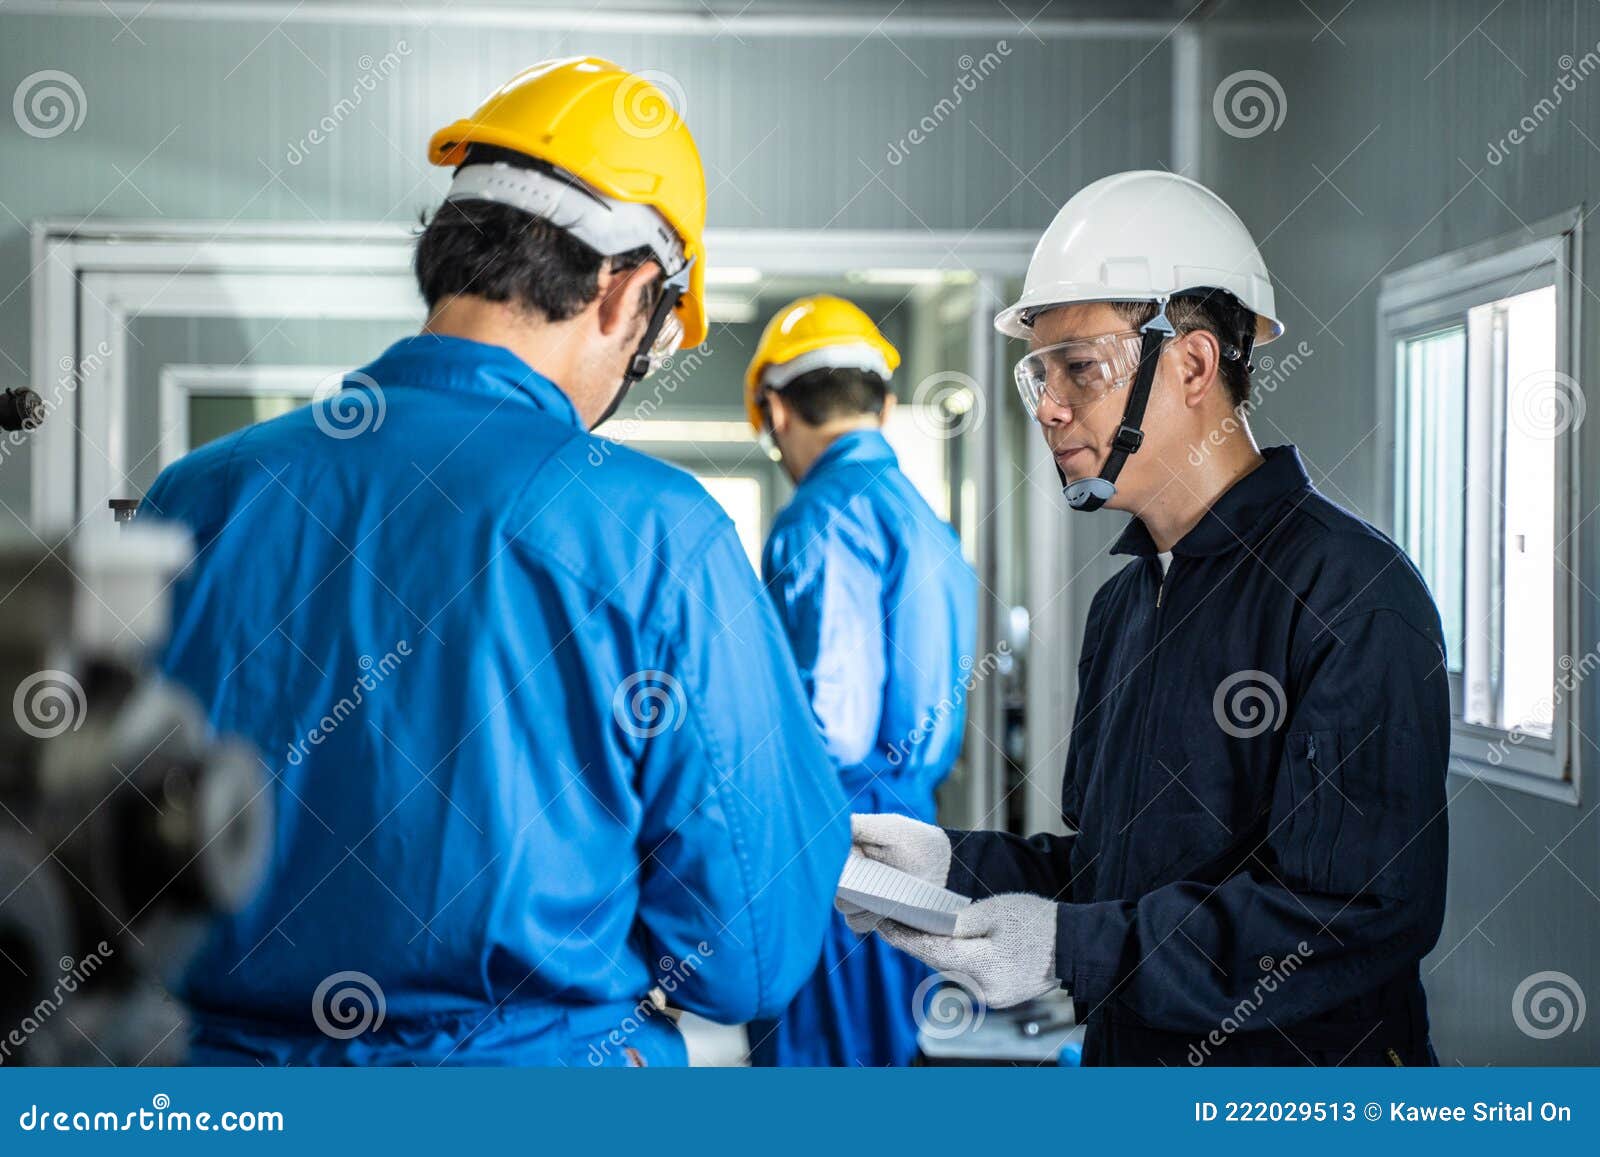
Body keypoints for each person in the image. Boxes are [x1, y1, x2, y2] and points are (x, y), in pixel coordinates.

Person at [140, 57, 849, 1067]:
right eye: (646, 345)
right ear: (626, 294)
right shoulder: (658, 531)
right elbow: (749, 951)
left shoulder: (198, 495)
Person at [847, 171, 1451, 1066]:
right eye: (1040, 372)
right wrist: (947, 866)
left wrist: (1065, 947)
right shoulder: (1126, 603)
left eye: (1080, 368)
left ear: (1196, 364)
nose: (1050, 405)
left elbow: (1347, 915)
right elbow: (1111, 873)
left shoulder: (1352, 594)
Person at [740, 296, 978, 1067]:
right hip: (909, 841)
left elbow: (830, 728)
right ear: (884, 401)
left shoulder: (817, 518)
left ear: (775, 411)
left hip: (830, 847)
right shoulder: (925, 521)